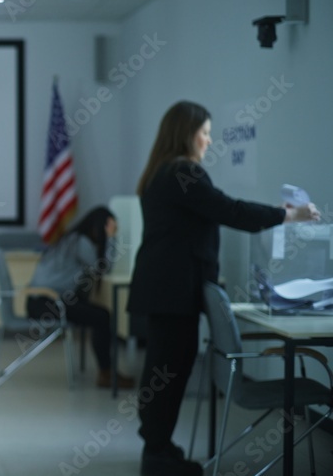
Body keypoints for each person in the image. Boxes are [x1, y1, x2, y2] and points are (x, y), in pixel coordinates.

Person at [128, 101, 320, 476]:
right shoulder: (183, 172)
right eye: (204, 133)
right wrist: (287, 215)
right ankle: (157, 456)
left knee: (162, 371)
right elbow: (229, 210)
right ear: (186, 134)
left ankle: (158, 448)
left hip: (164, 287)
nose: (208, 140)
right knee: (168, 371)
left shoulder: (159, 173)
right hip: (173, 290)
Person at [26, 206, 135, 389]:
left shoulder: (70, 239)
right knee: (101, 316)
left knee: (94, 312)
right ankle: (106, 374)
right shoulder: (81, 242)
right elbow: (103, 268)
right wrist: (112, 238)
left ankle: (106, 371)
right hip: (49, 303)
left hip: (39, 302)